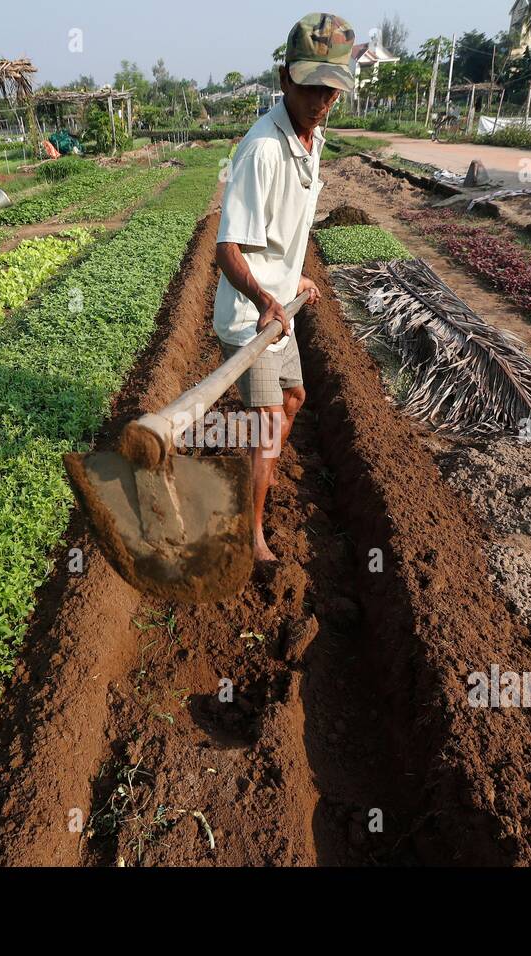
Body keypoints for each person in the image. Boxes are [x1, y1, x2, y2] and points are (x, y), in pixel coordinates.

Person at [214, 12, 355, 563]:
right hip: (253, 317)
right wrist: (266, 298)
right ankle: (249, 535)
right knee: (268, 424)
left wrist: (291, 275)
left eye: (332, 89)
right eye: (312, 86)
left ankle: (257, 465)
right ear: (284, 79)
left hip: (279, 305)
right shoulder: (262, 151)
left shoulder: (312, 137)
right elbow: (228, 249)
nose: (322, 100)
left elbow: (280, 229)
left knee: (294, 398)